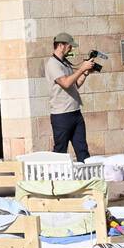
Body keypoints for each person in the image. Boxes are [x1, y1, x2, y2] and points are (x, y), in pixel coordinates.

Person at [45, 32, 96, 161]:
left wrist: (85, 73)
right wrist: (81, 69)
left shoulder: (65, 63)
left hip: (75, 112)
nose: (71, 49)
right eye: (69, 46)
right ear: (61, 45)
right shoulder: (52, 64)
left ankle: (87, 178)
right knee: (60, 151)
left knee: (82, 149)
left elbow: (75, 84)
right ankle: (57, 178)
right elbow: (66, 83)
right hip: (61, 115)